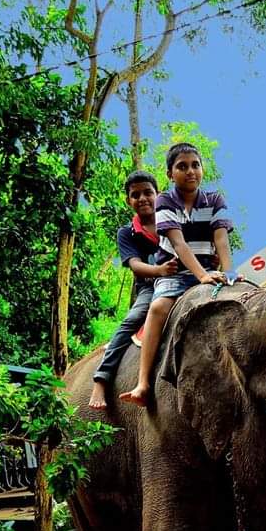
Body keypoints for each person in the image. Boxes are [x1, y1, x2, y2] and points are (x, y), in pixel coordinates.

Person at [119, 142, 234, 407]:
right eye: (182, 167)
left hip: (208, 271)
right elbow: (178, 243)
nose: (190, 171)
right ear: (170, 174)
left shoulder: (215, 200)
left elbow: (221, 239)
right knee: (158, 308)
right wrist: (201, 276)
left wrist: (228, 272)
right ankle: (143, 382)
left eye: (195, 165)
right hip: (176, 275)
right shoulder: (165, 201)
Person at [89, 170, 178, 409]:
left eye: (148, 192)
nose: (142, 198)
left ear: (158, 194)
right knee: (133, 319)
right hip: (150, 287)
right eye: (135, 195)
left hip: (181, 280)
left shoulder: (173, 221)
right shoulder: (127, 233)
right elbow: (135, 265)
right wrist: (159, 271)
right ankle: (101, 379)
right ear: (128, 200)